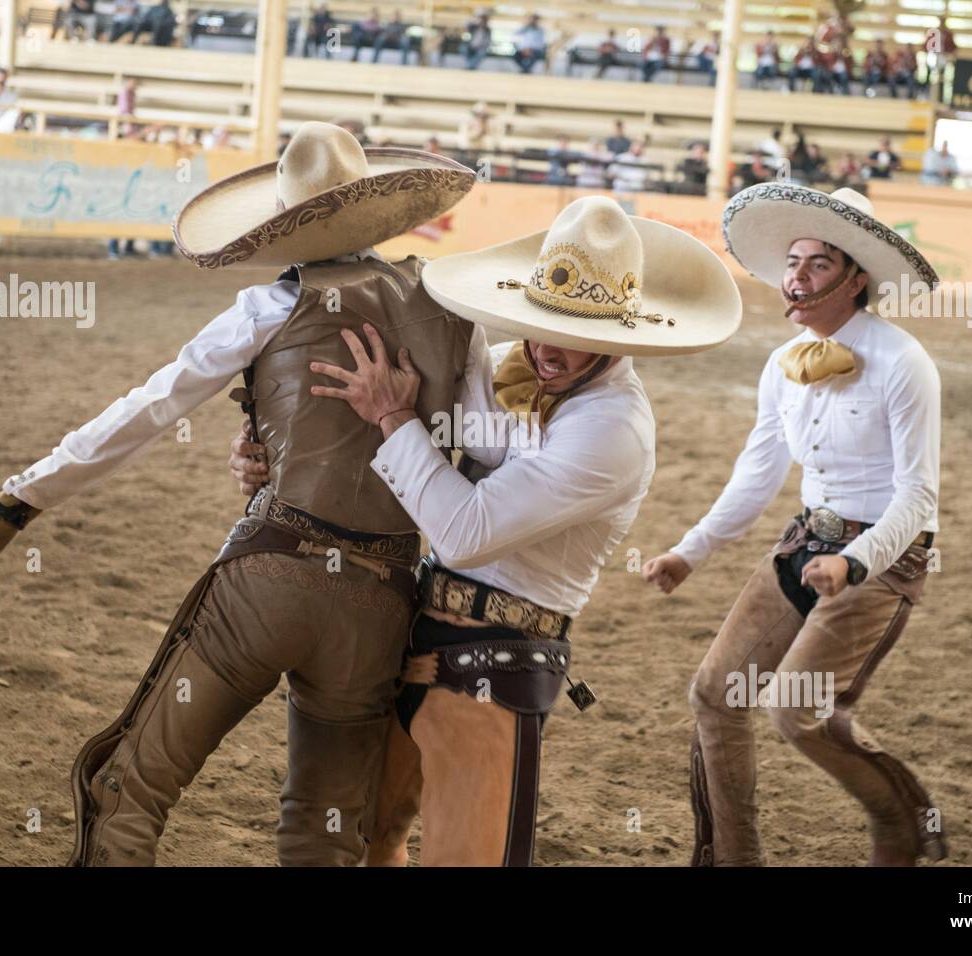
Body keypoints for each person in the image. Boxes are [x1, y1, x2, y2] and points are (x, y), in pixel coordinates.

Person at [0, 122, 479, 867]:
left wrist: (20, 499)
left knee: (128, 790)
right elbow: (481, 455)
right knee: (322, 834)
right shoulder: (451, 317)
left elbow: (153, 406)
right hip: (380, 605)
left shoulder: (268, 307)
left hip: (270, 580)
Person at [270, 194, 741, 866]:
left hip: (493, 661)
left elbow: (462, 530)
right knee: (367, 841)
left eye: (574, 335)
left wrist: (392, 419)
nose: (546, 348)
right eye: (539, 322)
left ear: (617, 338)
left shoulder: (612, 433)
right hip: (425, 637)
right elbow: (474, 442)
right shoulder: (527, 372)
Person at [643, 183, 946, 868]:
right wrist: (691, 552)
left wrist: (855, 562)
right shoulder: (782, 365)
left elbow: (919, 496)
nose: (797, 278)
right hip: (807, 540)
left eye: (816, 264)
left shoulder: (903, 364)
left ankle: (899, 818)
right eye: (793, 262)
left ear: (855, 278)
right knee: (716, 695)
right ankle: (732, 859)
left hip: (883, 555)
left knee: (792, 711)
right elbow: (756, 474)